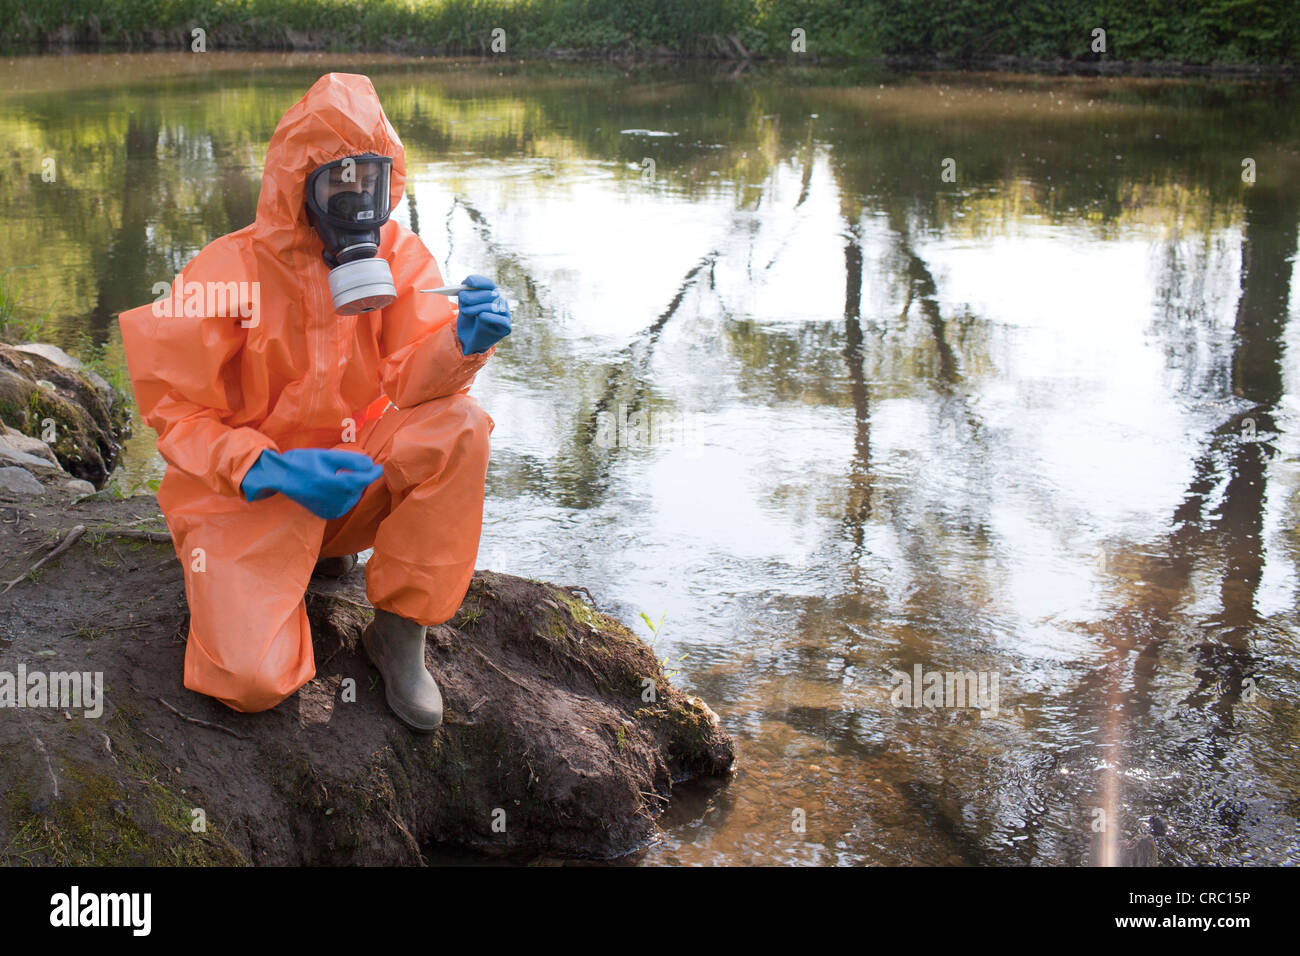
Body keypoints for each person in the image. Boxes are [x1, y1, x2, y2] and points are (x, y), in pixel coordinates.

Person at [117, 73, 511, 732]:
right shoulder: (224, 275)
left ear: (392, 180)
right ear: (297, 185)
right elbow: (177, 413)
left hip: (348, 478)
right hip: (248, 495)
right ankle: (273, 571)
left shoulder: (400, 258)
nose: (359, 198)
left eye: (373, 179)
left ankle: (398, 633)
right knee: (247, 679)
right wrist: (269, 470)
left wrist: (465, 342)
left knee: (460, 425)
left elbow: (416, 387)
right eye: (338, 179)